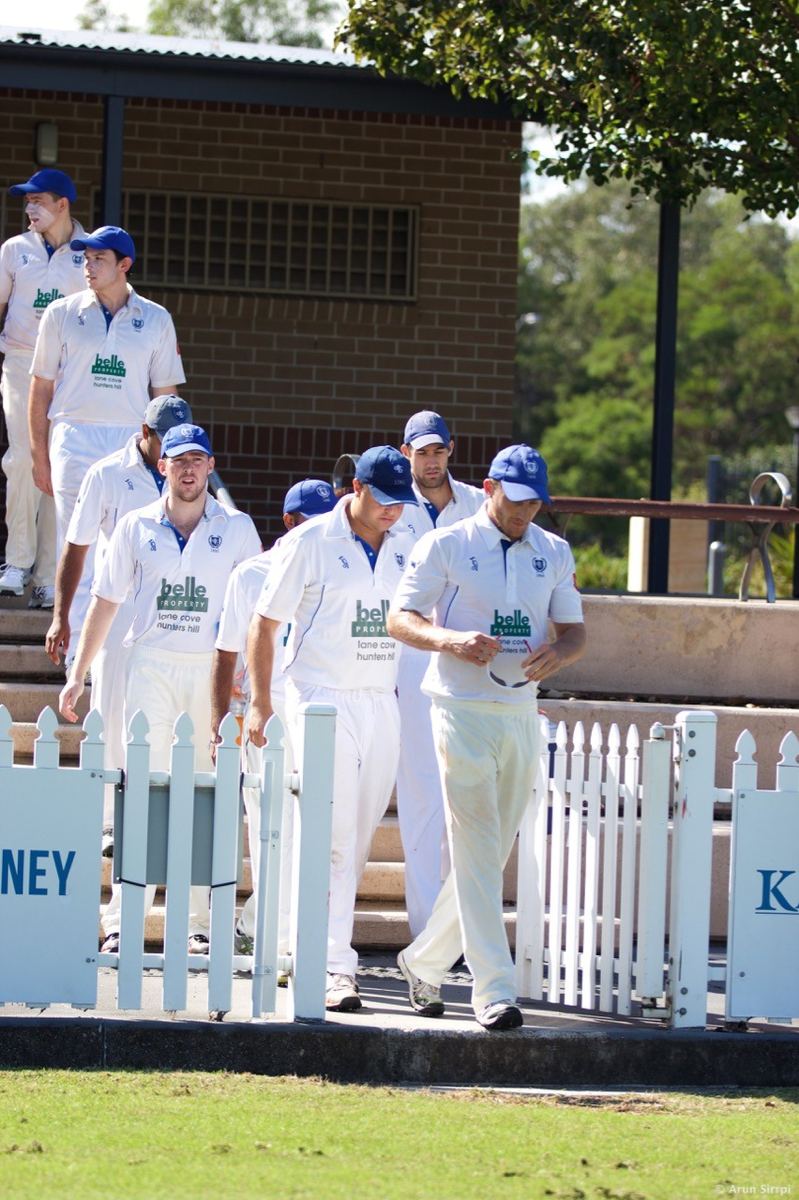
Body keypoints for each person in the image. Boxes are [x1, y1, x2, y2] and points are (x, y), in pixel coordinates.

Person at [387, 444, 586, 1031]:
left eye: (534, 503)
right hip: (460, 708)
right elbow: (400, 618)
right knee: (476, 849)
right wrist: (451, 640)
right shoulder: (446, 543)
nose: (524, 512)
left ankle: (422, 961)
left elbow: (575, 632)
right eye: (515, 500)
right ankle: (494, 990)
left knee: (488, 854)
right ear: (490, 488)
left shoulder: (553, 550)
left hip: (520, 710)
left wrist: (560, 654)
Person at [58, 423, 261, 954]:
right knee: (143, 789)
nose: (188, 469)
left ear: (211, 466)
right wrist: (78, 673)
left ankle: (196, 922)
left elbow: (254, 612)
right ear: (162, 466)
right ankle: (124, 921)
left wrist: (250, 680)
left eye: (198, 459)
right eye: (179, 460)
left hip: (211, 670)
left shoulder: (238, 528)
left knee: (201, 792)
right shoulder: (134, 525)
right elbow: (105, 601)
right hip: (150, 665)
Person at [246, 446, 418, 1012]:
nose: (393, 510)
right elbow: (264, 624)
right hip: (319, 697)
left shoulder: (408, 542)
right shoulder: (309, 541)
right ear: (356, 488)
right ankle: (331, 967)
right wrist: (259, 703)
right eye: (384, 499)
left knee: (358, 839)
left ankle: (315, 952)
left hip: (381, 699)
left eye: (401, 501)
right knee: (332, 836)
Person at [45, 394, 193, 852]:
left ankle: (158, 817)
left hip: (171, 614)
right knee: (109, 712)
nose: (176, 451)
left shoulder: (191, 477)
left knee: (167, 717)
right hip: (116, 609)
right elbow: (76, 546)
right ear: (144, 433)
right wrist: (61, 616)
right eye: (166, 440)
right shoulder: (106, 474)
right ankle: (110, 820)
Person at [29, 224, 185, 647]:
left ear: (124, 265)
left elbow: (166, 398)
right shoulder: (60, 313)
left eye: (99, 258)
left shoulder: (156, 318)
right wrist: (39, 456)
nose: (88, 266)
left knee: (126, 547)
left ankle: (118, 652)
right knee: (75, 542)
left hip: (130, 441)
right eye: (85, 258)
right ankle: (77, 657)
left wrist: (167, 457)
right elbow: (40, 387)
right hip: (73, 436)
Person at [211, 478, 337, 960]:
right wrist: (221, 724)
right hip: (265, 714)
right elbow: (226, 652)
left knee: (313, 831)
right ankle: (275, 941)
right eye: (309, 522)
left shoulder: (337, 567)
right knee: (270, 830)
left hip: (320, 710)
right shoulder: (250, 575)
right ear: (288, 523)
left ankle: (261, 924)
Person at [396, 409, 485, 938]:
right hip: (409, 659)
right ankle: (426, 934)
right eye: (421, 452)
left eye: (438, 451)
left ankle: (457, 934)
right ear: (405, 453)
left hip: (469, 661)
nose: (431, 462)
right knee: (422, 798)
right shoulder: (390, 502)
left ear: (452, 449)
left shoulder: (479, 504)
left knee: (464, 797)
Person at [0, 169, 86, 606]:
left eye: (38, 201)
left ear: (62, 205)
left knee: (59, 467)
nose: (30, 208)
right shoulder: (13, 249)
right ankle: (17, 561)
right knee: (22, 459)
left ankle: (49, 577)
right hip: (20, 363)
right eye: (26, 201)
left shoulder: (90, 252)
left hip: (69, 371)